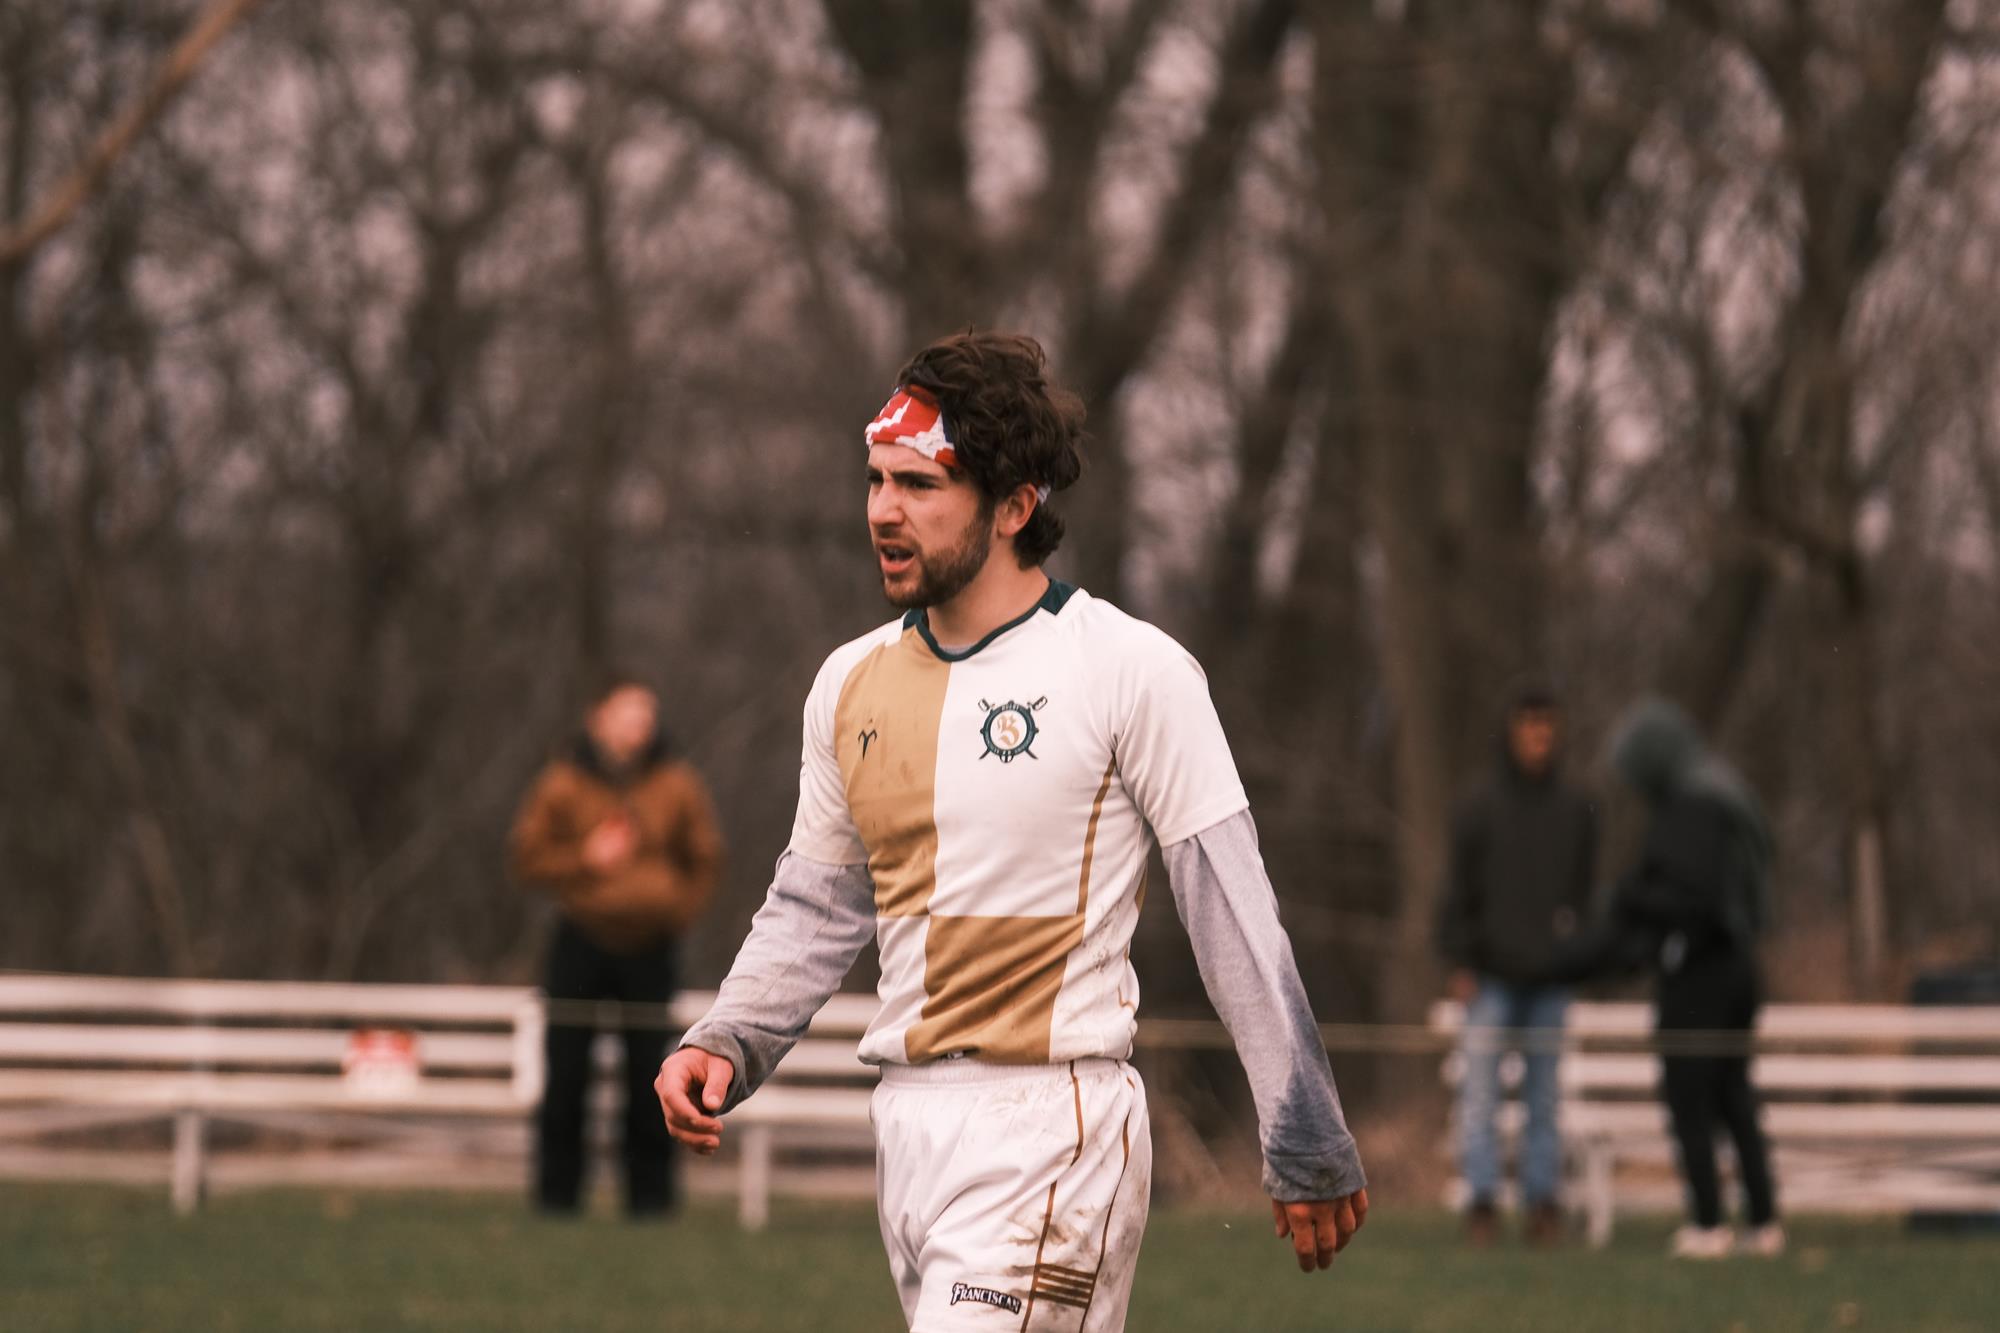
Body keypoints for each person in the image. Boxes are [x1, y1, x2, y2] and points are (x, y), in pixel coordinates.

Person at [655, 330, 1367, 1331]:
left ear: (1014, 506)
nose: (882, 512)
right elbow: (817, 901)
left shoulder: (1131, 671)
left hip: (1051, 1127)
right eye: (875, 480)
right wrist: (729, 1035)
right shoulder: (845, 684)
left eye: (919, 484)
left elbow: (1233, 915)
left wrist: (1303, 1129)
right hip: (904, 1128)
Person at [1544, 698, 1781, 1259]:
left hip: (1702, 975)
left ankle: (1707, 1223)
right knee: (1732, 1096)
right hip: (1735, 968)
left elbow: (1687, 899)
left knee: (1692, 1097)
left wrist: (1627, 894)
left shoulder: (1691, 807)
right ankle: (1764, 1221)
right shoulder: (1719, 792)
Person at [509, 675, 723, 1217]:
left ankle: (650, 1200)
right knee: (566, 1072)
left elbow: (705, 858)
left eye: (646, 714)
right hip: (580, 940)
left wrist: (674, 908)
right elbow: (528, 858)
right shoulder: (563, 782)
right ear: (598, 717)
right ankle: (556, 1198)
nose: (640, 725)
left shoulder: (676, 783)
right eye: (628, 712)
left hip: (651, 945)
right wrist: (586, 859)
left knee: (653, 1076)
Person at [1435, 682, 1597, 1246]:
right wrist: (1461, 961)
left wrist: (1575, 958)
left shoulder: (1577, 809)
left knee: (1544, 1101)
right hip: (1490, 980)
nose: (1538, 738)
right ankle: (1481, 1205)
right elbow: (1456, 893)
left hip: (1549, 982)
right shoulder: (1478, 808)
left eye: (1547, 727)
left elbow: (1583, 896)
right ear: (1513, 732)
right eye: (1529, 727)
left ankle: (1541, 1206)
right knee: (1479, 1099)